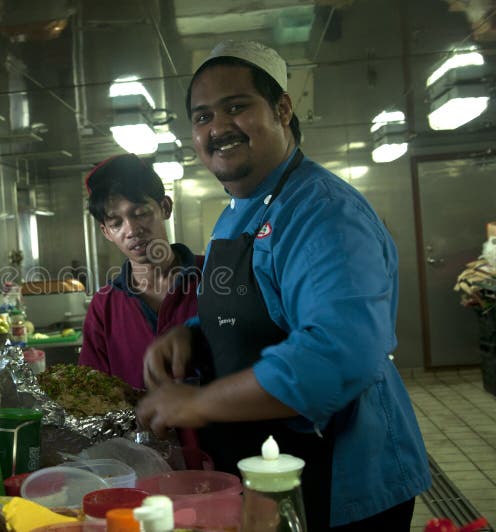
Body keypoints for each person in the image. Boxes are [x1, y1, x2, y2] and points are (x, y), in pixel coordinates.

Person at [137, 40, 430, 530]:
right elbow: (257, 307)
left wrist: (198, 402)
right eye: (203, 116)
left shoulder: (324, 213)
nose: (218, 128)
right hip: (266, 470)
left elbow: (337, 353)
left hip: (339, 476)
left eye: (236, 107)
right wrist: (192, 332)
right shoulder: (239, 212)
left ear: (282, 108)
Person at [78, 154, 203, 390]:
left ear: (165, 207)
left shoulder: (216, 277)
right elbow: (93, 391)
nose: (132, 230)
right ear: (106, 232)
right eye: (116, 223)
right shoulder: (104, 307)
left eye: (140, 213)